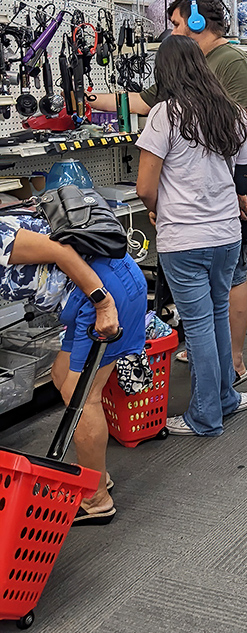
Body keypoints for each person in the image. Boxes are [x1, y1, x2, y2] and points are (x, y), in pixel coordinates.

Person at [91, 0, 247, 383]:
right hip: (217, 206)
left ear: (197, 23)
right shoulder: (190, 71)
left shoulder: (233, 64)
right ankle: (221, 377)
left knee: (229, 285)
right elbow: (142, 101)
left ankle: (233, 363)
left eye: (176, 23)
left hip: (227, 196)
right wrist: (87, 100)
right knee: (215, 300)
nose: (172, 31)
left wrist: (237, 190)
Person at [136, 34, 247, 437]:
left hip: (184, 238)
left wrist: (157, 207)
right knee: (218, 316)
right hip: (226, 234)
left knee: (199, 326)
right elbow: (244, 168)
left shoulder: (165, 114)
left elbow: (144, 186)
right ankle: (225, 398)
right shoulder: (231, 112)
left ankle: (205, 416)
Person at [0, 215, 147, 524]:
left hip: (102, 293)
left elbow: (61, 251)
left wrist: (103, 305)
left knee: (82, 396)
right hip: (97, 287)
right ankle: (97, 475)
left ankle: (96, 499)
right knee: (62, 375)